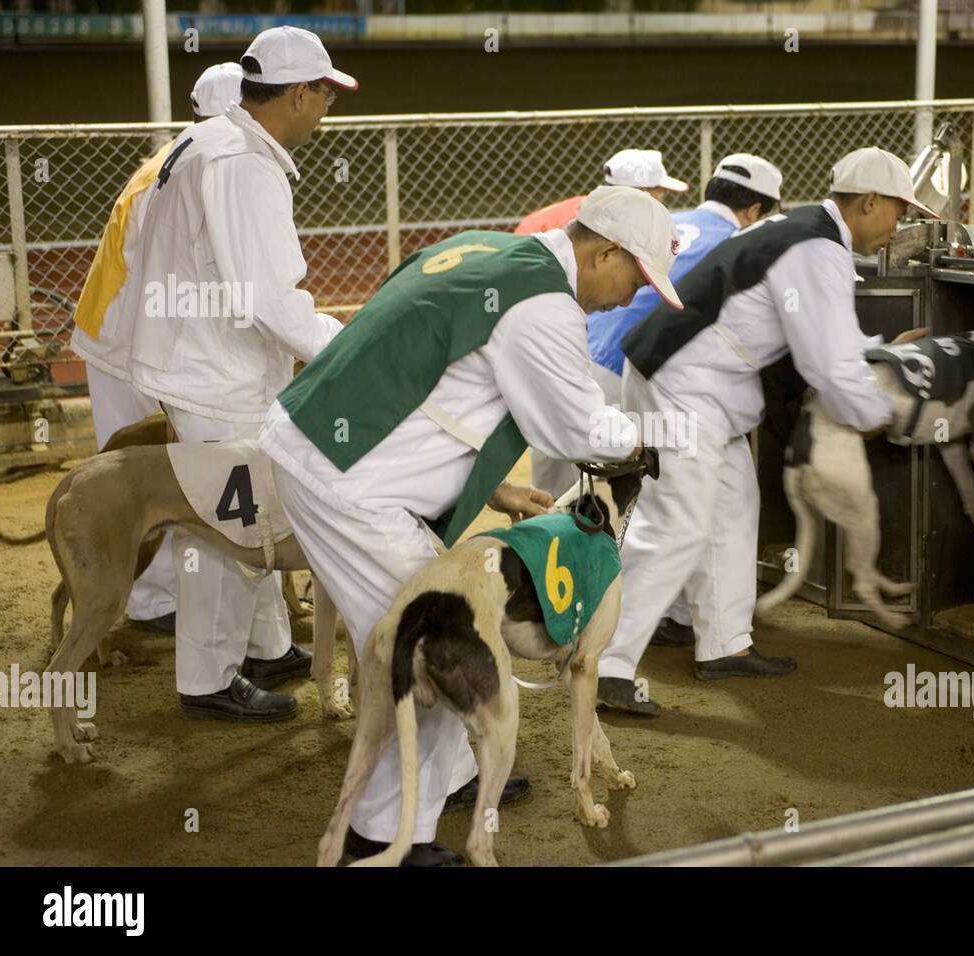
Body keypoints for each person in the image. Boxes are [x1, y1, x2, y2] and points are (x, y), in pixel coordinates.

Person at [259, 185, 680, 865]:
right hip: (351, 482)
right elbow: (576, 427)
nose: (632, 296)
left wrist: (499, 486)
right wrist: (634, 445)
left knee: (418, 658)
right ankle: (389, 843)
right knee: (438, 659)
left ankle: (399, 822)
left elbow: (435, 375)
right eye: (635, 277)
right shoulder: (545, 306)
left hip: (322, 447)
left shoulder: (486, 248)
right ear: (604, 250)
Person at [596, 147, 937, 715]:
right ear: (869, 201)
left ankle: (725, 644)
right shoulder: (817, 247)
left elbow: (826, 337)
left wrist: (878, 355)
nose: (897, 228)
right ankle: (606, 662)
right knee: (678, 522)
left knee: (733, 506)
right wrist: (882, 415)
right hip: (684, 384)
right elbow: (825, 364)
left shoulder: (805, 232)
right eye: (897, 212)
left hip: (698, 384)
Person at [114, 26, 357, 722]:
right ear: (300, 93)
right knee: (232, 526)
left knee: (231, 518)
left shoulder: (211, 139)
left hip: (199, 357)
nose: (326, 111)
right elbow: (268, 297)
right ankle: (209, 682)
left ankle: (257, 647)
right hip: (214, 372)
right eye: (325, 95)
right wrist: (346, 346)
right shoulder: (244, 162)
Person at [577, 153, 784, 659]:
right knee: (665, 508)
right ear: (755, 210)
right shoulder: (743, 242)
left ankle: (605, 610)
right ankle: (614, 640)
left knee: (601, 496)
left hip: (584, 353)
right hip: (644, 366)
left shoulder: (673, 223)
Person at [69, 61, 245, 636]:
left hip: (128, 331)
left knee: (161, 471)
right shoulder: (202, 168)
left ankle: (157, 596)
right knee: (136, 477)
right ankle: (148, 601)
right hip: (125, 340)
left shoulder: (180, 159)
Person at [524, 148, 687, 497]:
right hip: (593, 358)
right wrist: (637, 445)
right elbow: (580, 423)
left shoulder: (551, 223)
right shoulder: (642, 235)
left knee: (548, 489)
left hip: (568, 357)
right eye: (658, 194)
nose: (661, 202)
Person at [513, 148, 688, 236]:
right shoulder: (597, 225)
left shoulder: (590, 208)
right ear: (641, 193)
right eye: (660, 193)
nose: (662, 201)